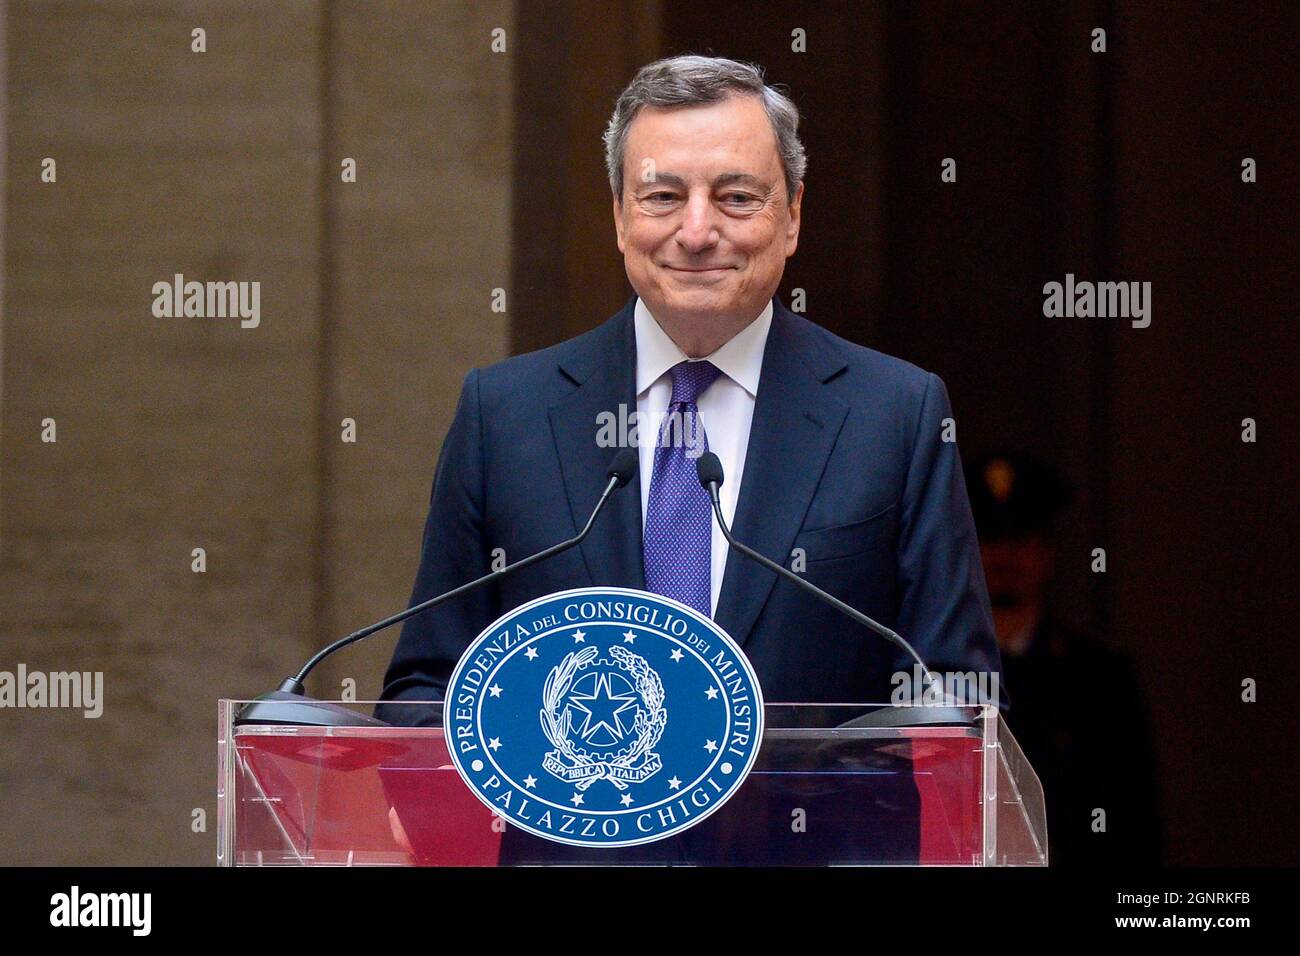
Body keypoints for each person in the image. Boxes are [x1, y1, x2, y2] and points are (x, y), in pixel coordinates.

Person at [378, 53, 998, 733]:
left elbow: (952, 695)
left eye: (736, 197)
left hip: (810, 836)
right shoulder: (504, 416)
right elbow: (426, 684)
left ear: (791, 215)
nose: (697, 233)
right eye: (663, 196)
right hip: (571, 835)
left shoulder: (895, 416)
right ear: (619, 216)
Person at [966, 449, 1161, 865]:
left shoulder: (1101, 678)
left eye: (1020, 538)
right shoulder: (925, 672)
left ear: (1047, 552)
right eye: (988, 539)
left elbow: (1134, 828)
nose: (1004, 557)